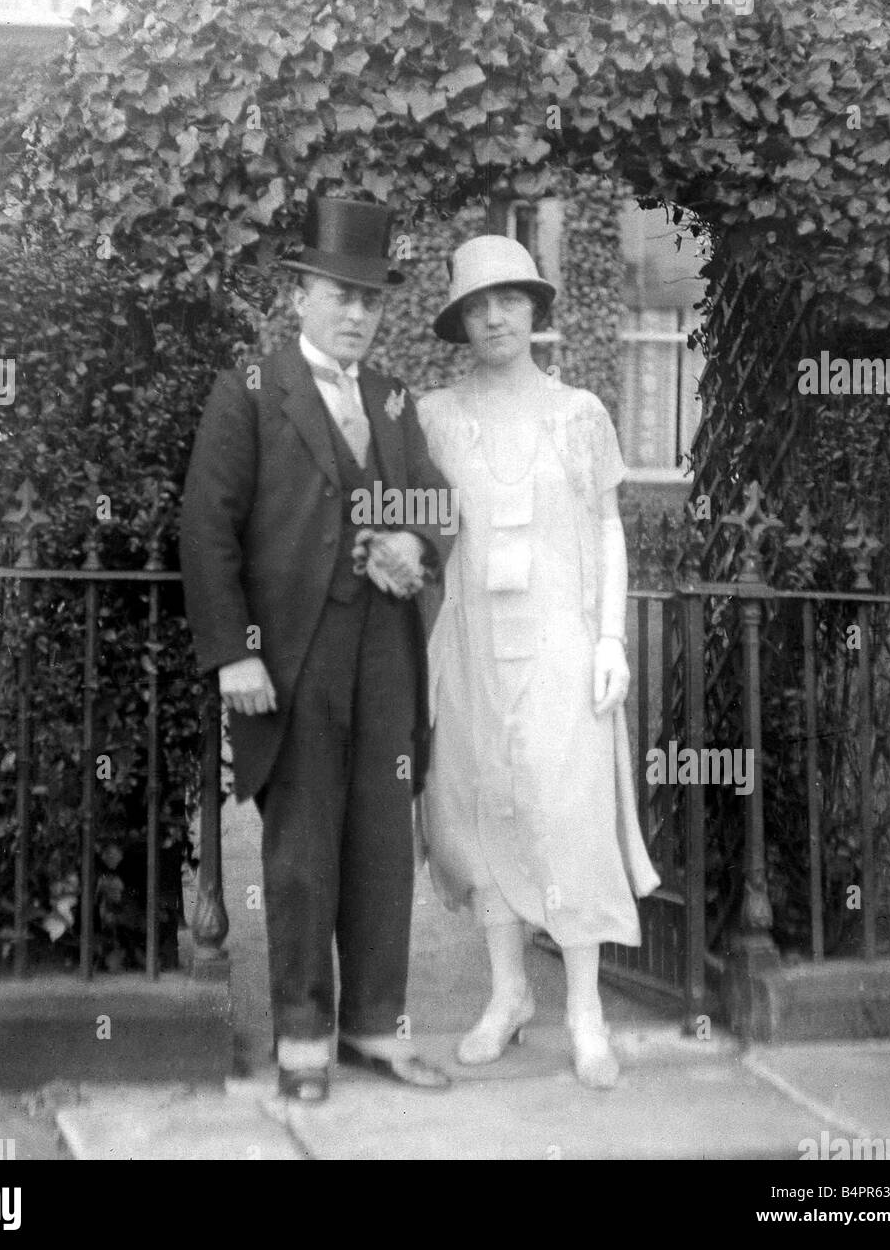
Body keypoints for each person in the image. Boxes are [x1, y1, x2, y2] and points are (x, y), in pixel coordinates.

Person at [180, 196, 454, 1102]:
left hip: (386, 657)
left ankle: (377, 1027)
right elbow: (206, 530)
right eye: (338, 294)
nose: (355, 314)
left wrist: (415, 542)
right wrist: (234, 655)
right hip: (289, 659)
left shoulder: (391, 398)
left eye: (369, 300)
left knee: (382, 846)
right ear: (297, 295)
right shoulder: (249, 393)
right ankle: (303, 1040)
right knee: (300, 854)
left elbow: (431, 502)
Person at [416, 234, 660, 1088]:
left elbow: (605, 525)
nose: (494, 317)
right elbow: (414, 533)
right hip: (471, 644)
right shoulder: (435, 419)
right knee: (485, 814)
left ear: (533, 310)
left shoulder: (579, 412)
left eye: (509, 300)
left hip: (560, 643)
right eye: (478, 305)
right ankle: (507, 994)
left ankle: (585, 1009)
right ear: (459, 321)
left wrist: (609, 640)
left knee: (567, 813)